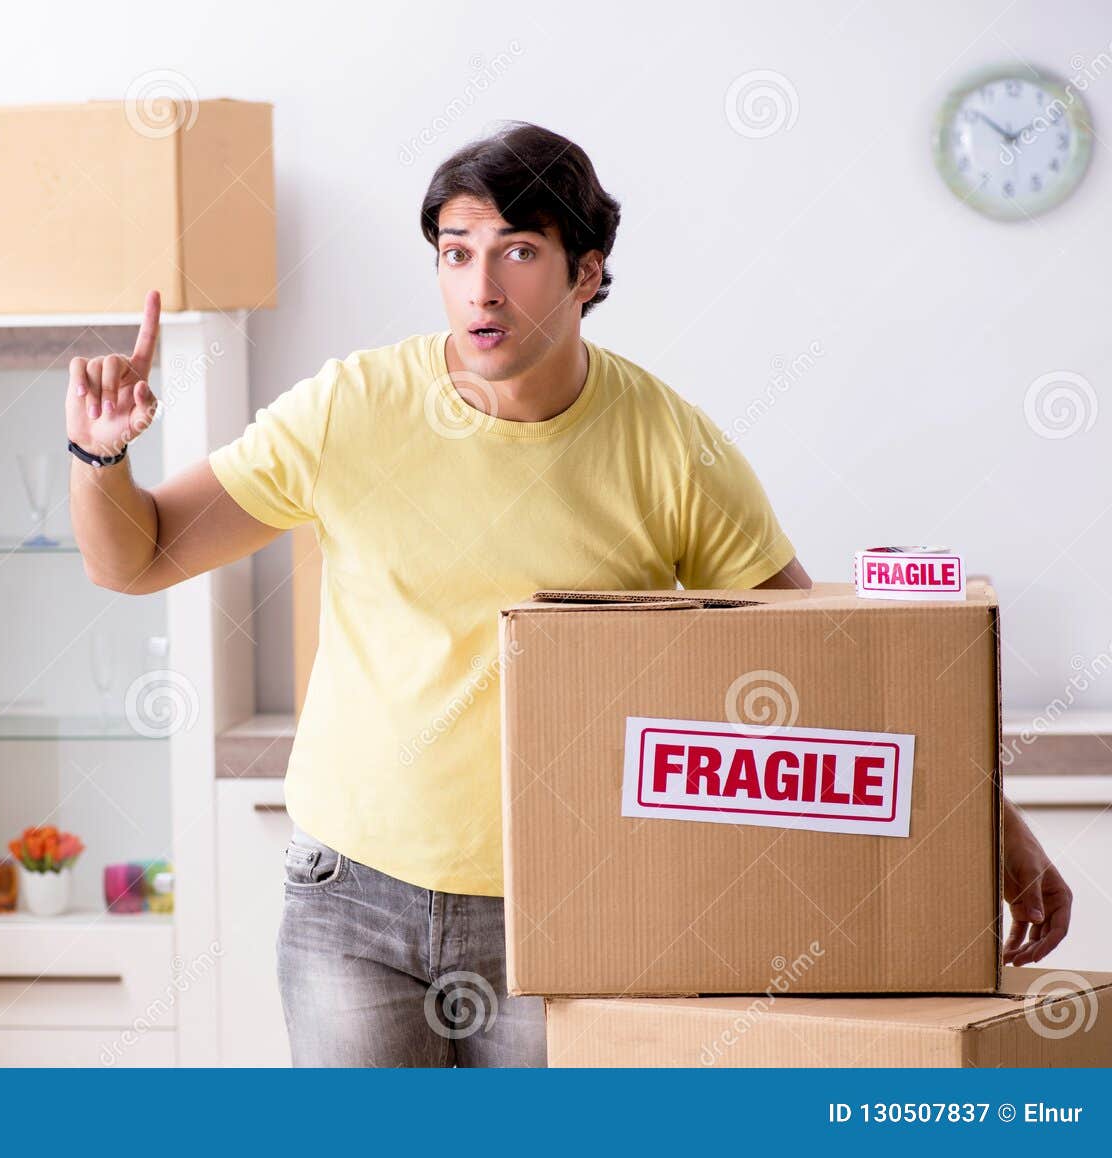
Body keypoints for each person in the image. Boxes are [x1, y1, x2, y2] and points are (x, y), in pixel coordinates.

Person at [66, 121, 1072, 1067]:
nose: (480, 289)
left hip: (573, 910)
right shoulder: (350, 408)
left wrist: (998, 832)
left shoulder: (670, 445)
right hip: (352, 901)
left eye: (516, 251)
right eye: (455, 254)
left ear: (586, 273)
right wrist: (98, 454)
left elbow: (822, 670)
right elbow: (135, 560)